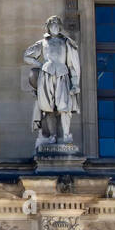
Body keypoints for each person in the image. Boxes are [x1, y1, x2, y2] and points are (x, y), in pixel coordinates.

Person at [23, 16, 80, 144]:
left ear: (59, 26)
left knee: (64, 107)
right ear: (48, 26)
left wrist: (75, 83)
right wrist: (39, 64)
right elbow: (26, 56)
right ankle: (52, 135)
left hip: (62, 74)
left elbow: (71, 65)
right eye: (51, 23)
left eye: (56, 23)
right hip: (46, 75)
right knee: (48, 108)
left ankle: (66, 135)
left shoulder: (66, 42)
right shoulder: (42, 42)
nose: (54, 25)